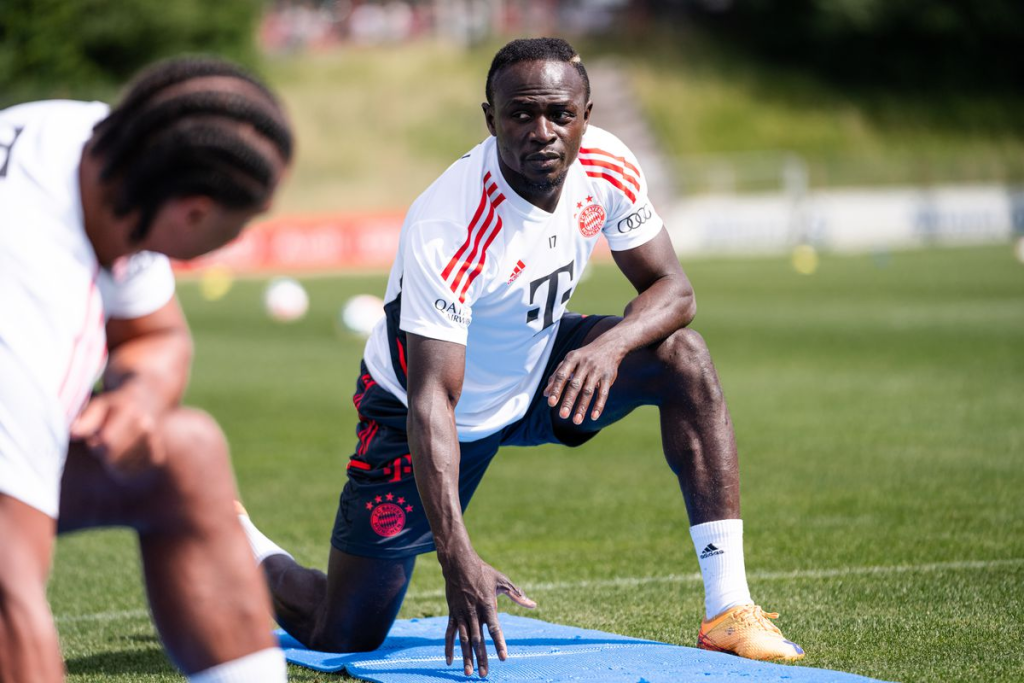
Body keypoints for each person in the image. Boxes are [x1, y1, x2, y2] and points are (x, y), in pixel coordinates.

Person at [239, 37, 804, 678]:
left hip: (543, 371)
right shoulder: (447, 224)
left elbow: (674, 289)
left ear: (586, 113)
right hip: (420, 413)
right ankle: (236, 541)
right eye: (521, 115)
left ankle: (728, 607)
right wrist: (458, 557)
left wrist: (611, 346)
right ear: (490, 118)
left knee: (683, 358)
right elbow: (434, 401)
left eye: (560, 114)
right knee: (341, 633)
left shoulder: (608, 164)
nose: (543, 132)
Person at [0, 57, 294, 682]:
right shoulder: (29, 306)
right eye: (239, 224)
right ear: (192, 213)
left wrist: (136, 397)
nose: (236, 238)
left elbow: (156, 337)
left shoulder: (101, 153)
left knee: (184, 452)